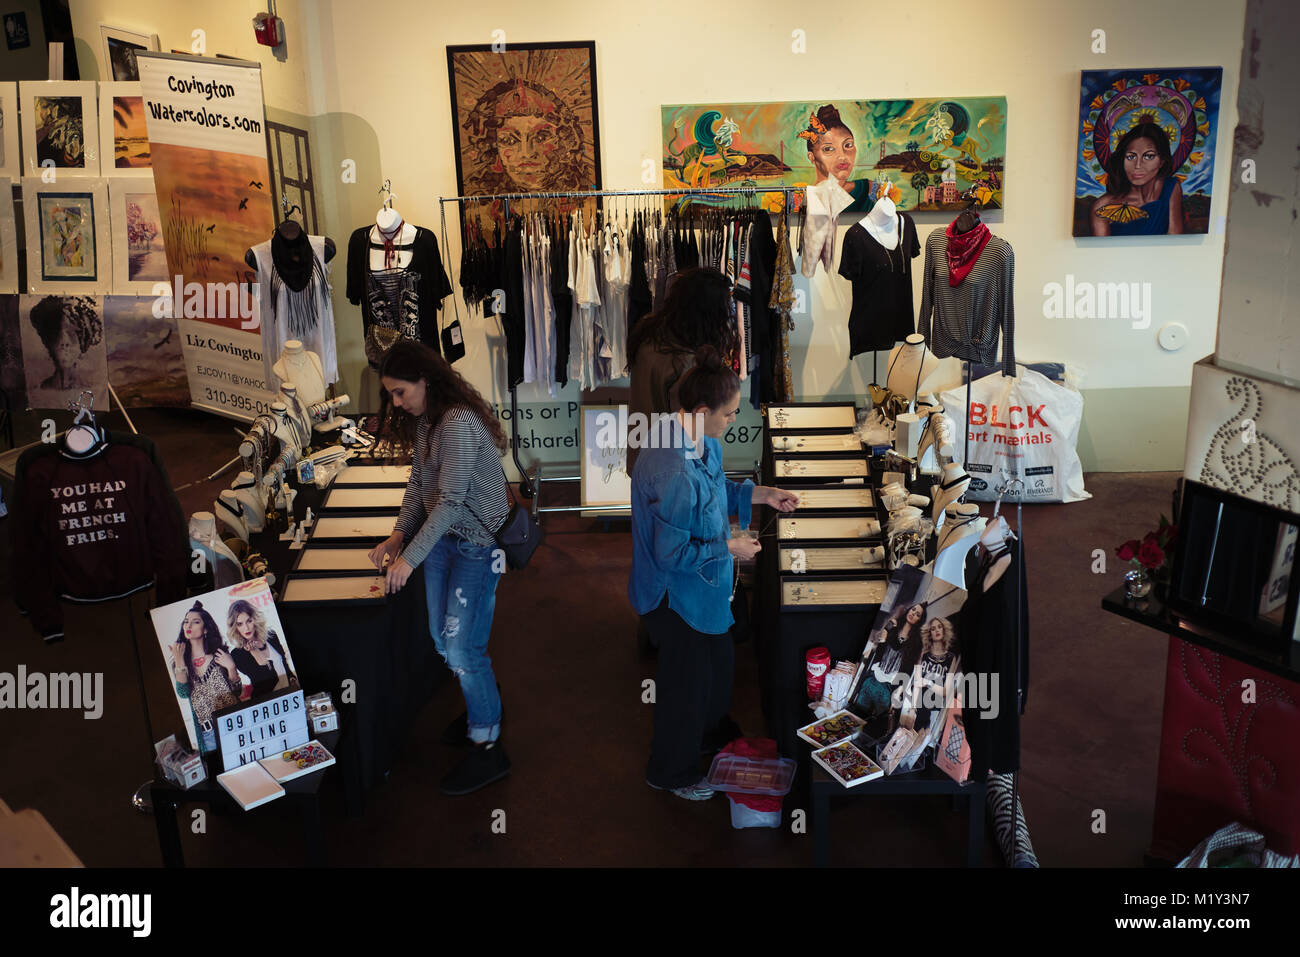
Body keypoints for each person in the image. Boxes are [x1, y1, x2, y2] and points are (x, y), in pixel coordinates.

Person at [629, 346, 798, 800]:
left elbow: (717, 489)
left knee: (717, 669)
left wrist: (764, 495)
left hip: (703, 589)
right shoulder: (672, 473)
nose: (733, 420)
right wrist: (731, 547)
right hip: (675, 596)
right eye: (729, 413)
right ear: (702, 410)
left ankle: (706, 735)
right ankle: (671, 771)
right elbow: (672, 554)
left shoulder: (699, 438)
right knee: (685, 688)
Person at [367, 339, 512, 796]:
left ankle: (488, 741)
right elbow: (420, 485)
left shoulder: (458, 424)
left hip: (476, 545)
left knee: (464, 649)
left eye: (399, 392)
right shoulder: (430, 419)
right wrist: (397, 534)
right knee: (442, 641)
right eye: (390, 393)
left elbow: (449, 503)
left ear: (424, 381)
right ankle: (479, 704)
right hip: (446, 543)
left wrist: (409, 558)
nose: (395, 402)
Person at [626, 267, 740, 474]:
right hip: (675, 470)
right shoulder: (684, 361)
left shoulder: (649, 335)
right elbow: (691, 431)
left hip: (644, 458)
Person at [169, 601, 242, 754]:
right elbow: (183, 692)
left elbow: (236, 692)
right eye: (186, 622)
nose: (188, 626)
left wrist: (231, 667)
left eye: (195, 622)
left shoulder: (219, 654)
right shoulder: (182, 660)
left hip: (233, 723)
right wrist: (179, 660)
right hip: (208, 735)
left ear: (206, 628)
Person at [1090, 123, 1184, 236]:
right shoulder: (1102, 207)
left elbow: (1175, 241)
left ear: (1162, 161)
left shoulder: (1171, 188)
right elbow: (1100, 251)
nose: (1138, 165)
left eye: (1149, 156)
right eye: (1131, 157)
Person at [854, 602, 928, 717]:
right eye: (913, 610)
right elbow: (878, 653)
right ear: (908, 610)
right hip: (873, 678)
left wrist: (898, 692)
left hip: (889, 687)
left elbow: (908, 671)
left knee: (877, 722)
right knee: (857, 713)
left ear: (920, 620)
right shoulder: (892, 626)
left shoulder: (916, 643)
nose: (913, 614)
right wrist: (887, 631)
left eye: (918, 614)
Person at [799, 104, 873, 213]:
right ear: (812, 157)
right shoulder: (806, 199)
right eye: (828, 149)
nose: (842, 156)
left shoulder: (869, 187)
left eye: (848, 145)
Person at [900, 616, 959, 735]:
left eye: (939, 627)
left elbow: (945, 691)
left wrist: (928, 682)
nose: (936, 630)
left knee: (921, 742)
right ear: (929, 633)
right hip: (918, 703)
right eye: (933, 628)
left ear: (944, 630)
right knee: (904, 736)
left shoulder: (951, 658)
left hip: (934, 708)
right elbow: (916, 682)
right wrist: (912, 708)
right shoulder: (923, 653)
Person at [227, 599, 296, 699]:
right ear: (235, 627)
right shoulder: (237, 654)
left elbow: (283, 661)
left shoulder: (271, 635)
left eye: (249, 621)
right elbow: (265, 682)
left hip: (289, 694)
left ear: (255, 619)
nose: (246, 628)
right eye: (240, 624)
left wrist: (291, 677)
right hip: (267, 701)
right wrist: (256, 654)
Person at [28, 295, 102, 390]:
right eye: (56, 334)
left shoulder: (91, 390)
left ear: (84, 342)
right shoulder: (38, 392)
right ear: (48, 341)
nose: (64, 343)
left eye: (72, 334)